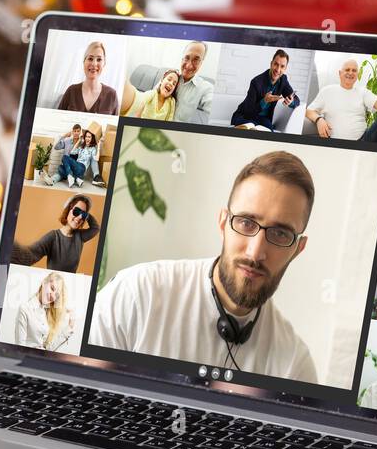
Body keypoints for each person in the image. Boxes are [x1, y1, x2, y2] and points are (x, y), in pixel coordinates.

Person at [90, 149, 318, 381]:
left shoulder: (295, 367)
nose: (255, 252)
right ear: (223, 224)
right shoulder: (135, 295)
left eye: (280, 234)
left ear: (297, 249)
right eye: (246, 222)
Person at [304, 57, 377, 144]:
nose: (351, 73)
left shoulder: (362, 92)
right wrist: (319, 120)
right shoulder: (327, 91)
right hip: (338, 143)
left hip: (364, 140)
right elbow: (309, 111)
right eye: (347, 70)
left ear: (357, 74)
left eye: (354, 70)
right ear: (340, 73)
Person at [11, 194, 99, 274]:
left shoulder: (80, 236)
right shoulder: (53, 237)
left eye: (83, 215)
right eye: (76, 211)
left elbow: (96, 228)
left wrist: (86, 215)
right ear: (68, 210)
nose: (80, 217)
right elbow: (31, 254)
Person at [230, 49, 300, 130]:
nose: (278, 69)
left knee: (269, 130)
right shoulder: (256, 82)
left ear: (285, 68)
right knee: (250, 126)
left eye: (282, 66)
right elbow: (248, 111)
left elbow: (297, 100)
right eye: (276, 64)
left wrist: (291, 102)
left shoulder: (283, 80)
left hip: (263, 119)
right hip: (245, 116)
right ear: (271, 64)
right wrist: (264, 101)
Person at [14, 271, 75, 352]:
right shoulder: (24, 309)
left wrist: (69, 327)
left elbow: (48, 349)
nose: (53, 296)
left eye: (56, 295)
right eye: (52, 288)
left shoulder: (46, 313)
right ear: (44, 282)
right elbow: (19, 348)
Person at [57, 41, 119, 115]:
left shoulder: (112, 95)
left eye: (99, 59)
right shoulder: (71, 91)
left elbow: (115, 126)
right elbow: (56, 120)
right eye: (90, 58)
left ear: (104, 63)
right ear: (84, 62)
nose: (94, 64)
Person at [172, 41, 214, 123]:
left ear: (201, 63)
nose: (189, 66)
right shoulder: (169, 77)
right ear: (182, 59)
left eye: (196, 60)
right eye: (187, 57)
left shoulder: (206, 88)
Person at [55, 122, 103, 188]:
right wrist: (79, 140)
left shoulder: (93, 149)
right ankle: (76, 179)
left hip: (82, 168)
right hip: (77, 169)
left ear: (92, 139)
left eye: (89, 137)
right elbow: (72, 152)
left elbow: (96, 159)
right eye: (86, 137)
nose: (87, 138)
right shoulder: (81, 147)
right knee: (60, 168)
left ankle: (70, 175)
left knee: (64, 157)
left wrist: (99, 146)